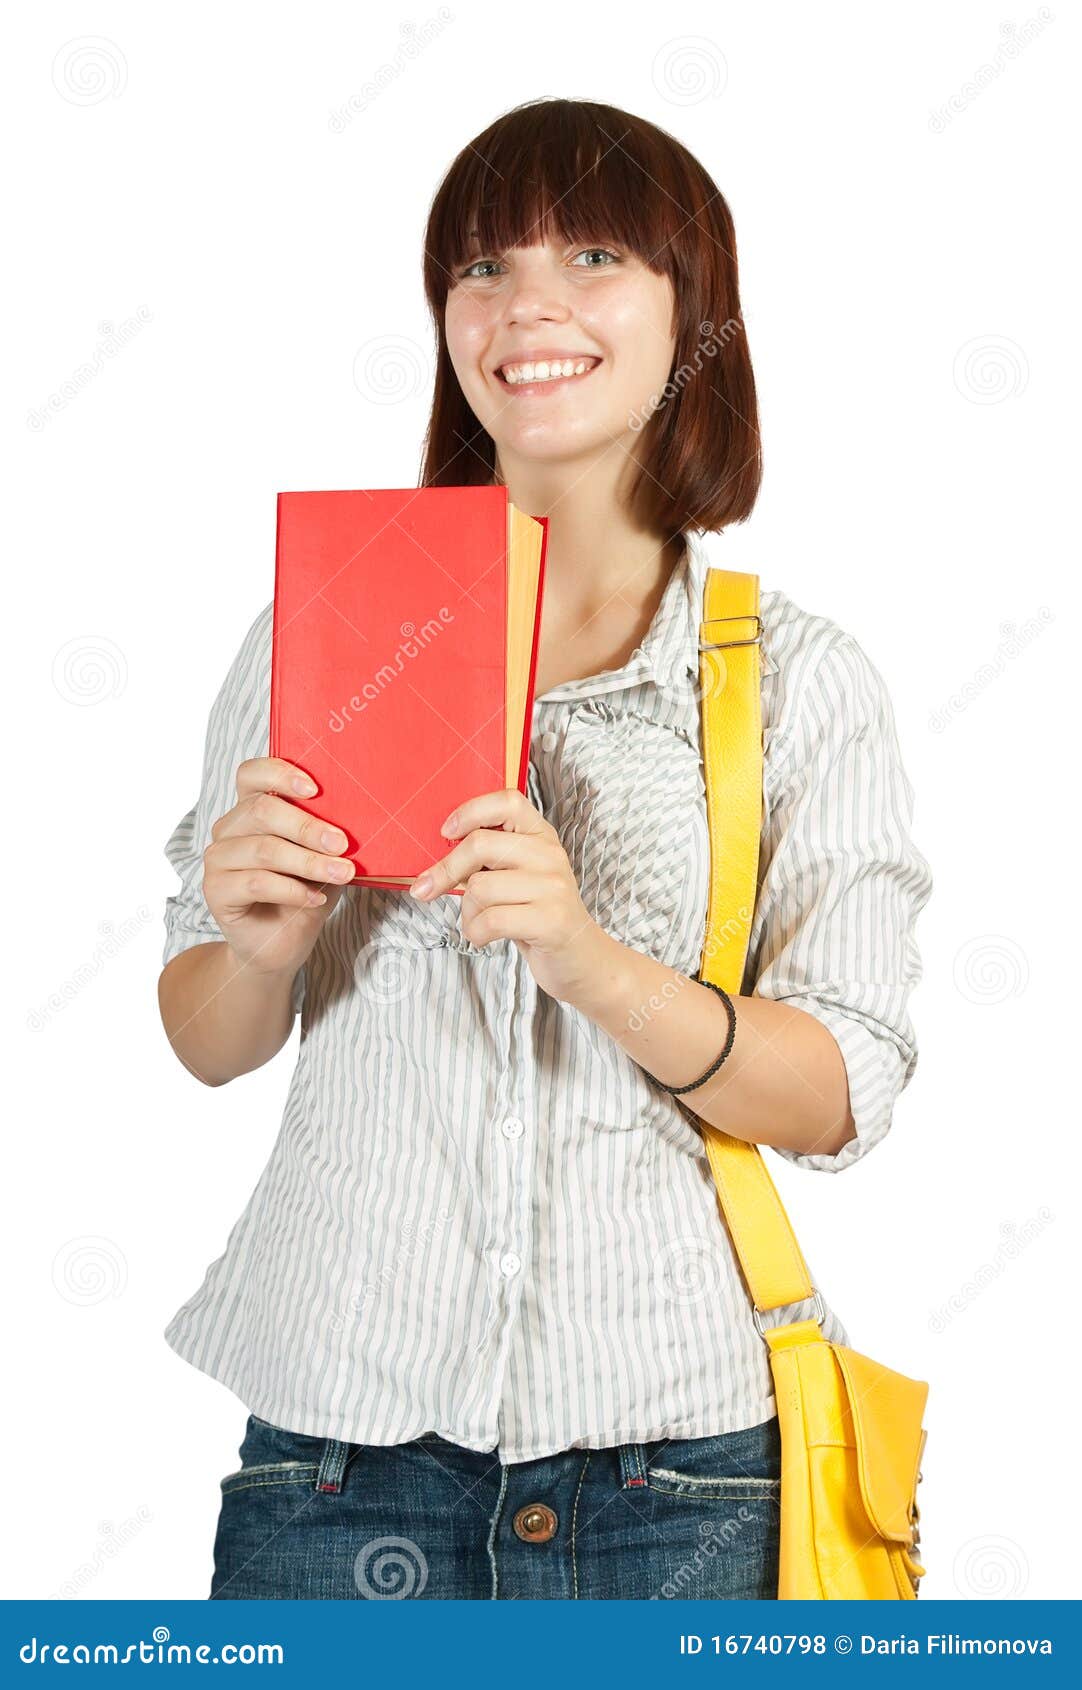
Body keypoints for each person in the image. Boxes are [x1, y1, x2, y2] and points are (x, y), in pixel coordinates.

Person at [157, 97, 933, 1601]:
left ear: (686, 310)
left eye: (590, 254)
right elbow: (204, 1034)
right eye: (479, 266)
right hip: (331, 1453)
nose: (526, 307)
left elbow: (844, 1089)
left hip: (676, 1466)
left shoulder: (792, 676)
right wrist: (256, 947)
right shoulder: (318, 635)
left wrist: (584, 957)